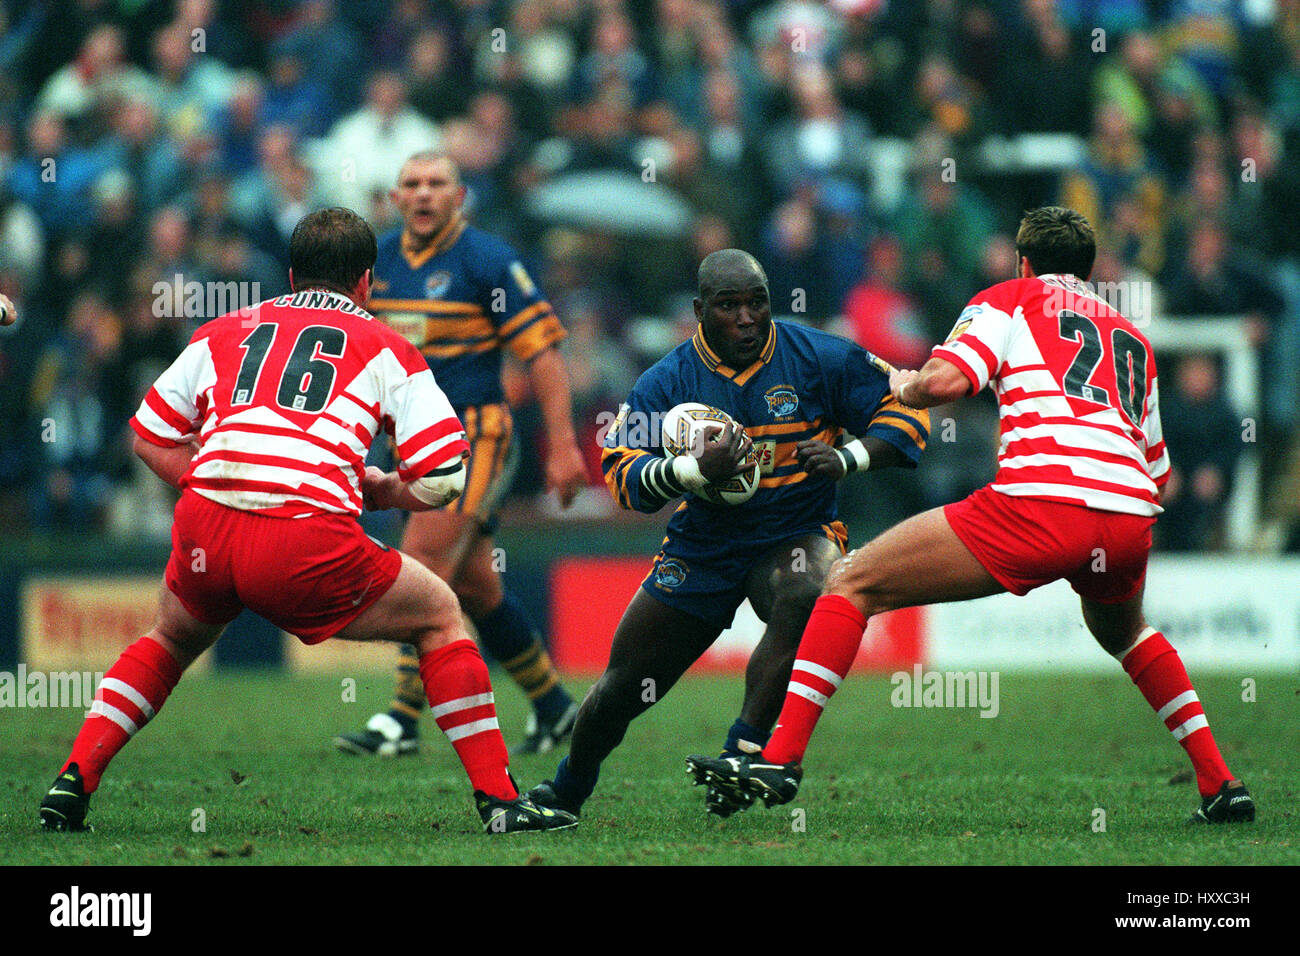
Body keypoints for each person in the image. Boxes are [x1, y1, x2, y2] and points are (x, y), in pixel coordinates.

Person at [689, 207, 1255, 825]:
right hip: (1126, 516)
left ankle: (782, 757)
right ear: (1088, 272)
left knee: (852, 580)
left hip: (1041, 503)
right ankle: (1221, 784)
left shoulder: (1009, 298)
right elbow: (1157, 467)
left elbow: (948, 382)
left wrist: (905, 386)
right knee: (1127, 633)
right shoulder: (1133, 337)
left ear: (1025, 262)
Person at [39, 208, 576, 834]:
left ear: (292, 275)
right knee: (438, 613)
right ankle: (501, 803)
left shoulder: (225, 328)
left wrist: (218, 482)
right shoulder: (388, 346)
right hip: (305, 538)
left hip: (207, 529)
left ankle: (72, 781)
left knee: (168, 640)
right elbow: (445, 477)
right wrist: (382, 493)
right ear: (369, 282)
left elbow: (149, 437)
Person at [525, 248, 930, 819]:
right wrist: (692, 471)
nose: (745, 318)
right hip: (703, 546)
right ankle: (566, 792)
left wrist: (847, 458)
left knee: (805, 591)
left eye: (756, 303)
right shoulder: (664, 383)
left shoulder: (820, 356)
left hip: (796, 529)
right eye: (728, 306)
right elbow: (620, 474)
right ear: (698, 310)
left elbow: (908, 410)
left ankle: (742, 751)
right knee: (623, 687)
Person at [334, 152, 586, 758]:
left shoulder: (489, 260)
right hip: (406, 446)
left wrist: (565, 446)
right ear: (394, 198)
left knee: (419, 562)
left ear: (460, 195)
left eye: (436, 184)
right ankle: (554, 708)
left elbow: (543, 354)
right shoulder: (379, 263)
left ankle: (400, 721)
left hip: (475, 438)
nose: (423, 194)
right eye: (412, 185)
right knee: (476, 588)